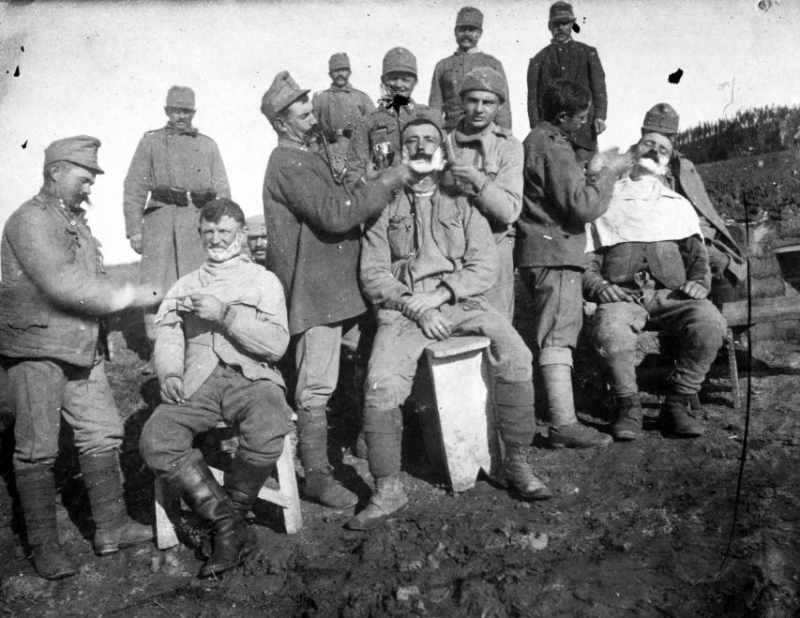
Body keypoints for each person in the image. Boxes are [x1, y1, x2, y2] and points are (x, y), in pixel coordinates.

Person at [347, 117, 552, 532]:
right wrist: (415, 306)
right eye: (412, 141)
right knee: (381, 383)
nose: (421, 147)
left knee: (516, 355)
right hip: (404, 312)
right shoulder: (383, 205)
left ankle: (516, 463)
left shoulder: (461, 200)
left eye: (429, 140)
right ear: (401, 152)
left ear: (441, 150)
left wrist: (439, 297)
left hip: (461, 302)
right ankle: (387, 489)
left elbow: (482, 267)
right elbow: (373, 274)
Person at [0, 136, 158, 580]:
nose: (89, 187)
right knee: (37, 451)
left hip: (80, 349)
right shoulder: (29, 222)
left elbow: (90, 277)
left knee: (103, 433)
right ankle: (44, 548)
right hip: (36, 350)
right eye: (83, 178)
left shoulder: (74, 223)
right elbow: (66, 286)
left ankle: (111, 527)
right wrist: (133, 295)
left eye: (92, 180)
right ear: (54, 172)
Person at [261, 71, 418, 509]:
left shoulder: (307, 156)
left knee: (362, 359)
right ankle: (316, 474)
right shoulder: (287, 163)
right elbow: (333, 214)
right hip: (315, 294)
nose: (313, 119)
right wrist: (384, 184)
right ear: (281, 123)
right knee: (315, 385)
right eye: (304, 114)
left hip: (340, 287)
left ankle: (365, 441)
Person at [140, 198, 294, 578]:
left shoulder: (263, 280)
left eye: (224, 231)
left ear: (241, 235)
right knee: (157, 436)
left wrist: (226, 315)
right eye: (208, 231)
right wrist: (170, 373)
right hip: (198, 380)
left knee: (270, 416)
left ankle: (230, 524)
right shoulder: (185, 284)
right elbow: (169, 336)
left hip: (251, 376)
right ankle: (232, 526)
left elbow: (276, 344)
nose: (216, 238)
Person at [583, 132, 727, 440]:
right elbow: (588, 262)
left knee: (710, 322)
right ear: (634, 150)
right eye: (649, 144)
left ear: (667, 162)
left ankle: (677, 404)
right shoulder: (605, 200)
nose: (655, 151)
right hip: (623, 297)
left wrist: (700, 284)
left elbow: (698, 260)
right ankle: (628, 407)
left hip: (673, 296)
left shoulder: (677, 205)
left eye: (663, 149)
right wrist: (598, 287)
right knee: (609, 331)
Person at [515, 79, 632, 450]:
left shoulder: (534, 140)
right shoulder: (554, 146)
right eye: (580, 118)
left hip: (537, 253)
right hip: (557, 254)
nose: (583, 124)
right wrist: (608, 173)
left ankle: (562, 419)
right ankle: (564, 423)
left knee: (553, 333)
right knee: (558, 337)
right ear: (562, 116)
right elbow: (581, 206)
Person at [124, 85, 231, 370]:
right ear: (166, 111)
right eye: (176, 110)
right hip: (161, 225)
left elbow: (223, 190)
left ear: (194, 112)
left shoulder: (208, 145)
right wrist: (135, 229)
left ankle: (197, 350)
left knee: (199, 286)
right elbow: (134, 187)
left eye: (186, 110)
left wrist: (223, 230)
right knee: (157, 289)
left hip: (196, 225)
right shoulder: (151, 143)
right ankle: (159, 350)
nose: (181, 116)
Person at [638, 103, 746, 293]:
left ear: (675, 138)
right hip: (656, 242)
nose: (660, 144)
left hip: (693, 237)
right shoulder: (631, 166)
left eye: (668, 137)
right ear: (643, 133)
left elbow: (703, 212)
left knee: (724, 262)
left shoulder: (684, 166)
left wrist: (704, 238)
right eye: (654, 135)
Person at [442, 66, 522, 320]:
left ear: (498, 107)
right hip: (449, 253)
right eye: (472, 101)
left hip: (494, 250)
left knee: (496, 331)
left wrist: (478, 181)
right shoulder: (443, 143)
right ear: (462, 102)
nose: (479, 109)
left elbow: (509, 210)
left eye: (488, 102)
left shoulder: (508, 146)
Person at [526, 1, 607, 160]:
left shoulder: (588, 53)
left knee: (587, 175)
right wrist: (537, 130)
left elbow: (599, 89)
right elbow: (532, 100)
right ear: (550, 26)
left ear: (572, 24)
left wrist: (600, 116)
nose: (561, 28)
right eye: (556, 24)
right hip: (552, 135)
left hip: (583, 134)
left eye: (565, 23)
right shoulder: (538, 60)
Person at [345, 47, 435, 187]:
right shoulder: (367, 121)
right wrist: (365, 182)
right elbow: (354, 173)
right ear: (383, 80)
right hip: (383, 199)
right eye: (393, 79)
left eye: (405, 80)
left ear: (415, 82)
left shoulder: (429, 117)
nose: (398, 85)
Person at [429, 6, 512, 132]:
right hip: (452, 132)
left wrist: (505, 135)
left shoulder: (493, 64)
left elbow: (503, 107)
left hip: (486, 133)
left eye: (472, 30)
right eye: (462, 30)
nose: (466, 34)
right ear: (455, 32)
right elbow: (435, 107)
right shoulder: (442, 66)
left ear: (479, 33)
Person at [312, 53, 376, 177]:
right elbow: (311, 131)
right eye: (336, 70)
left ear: (350, 72)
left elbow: (374, 129)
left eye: (343, 70)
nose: (340, 74)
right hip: (329, 156)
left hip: (358, 155)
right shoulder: (320, 100)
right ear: (330, 74)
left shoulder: (362, 98)